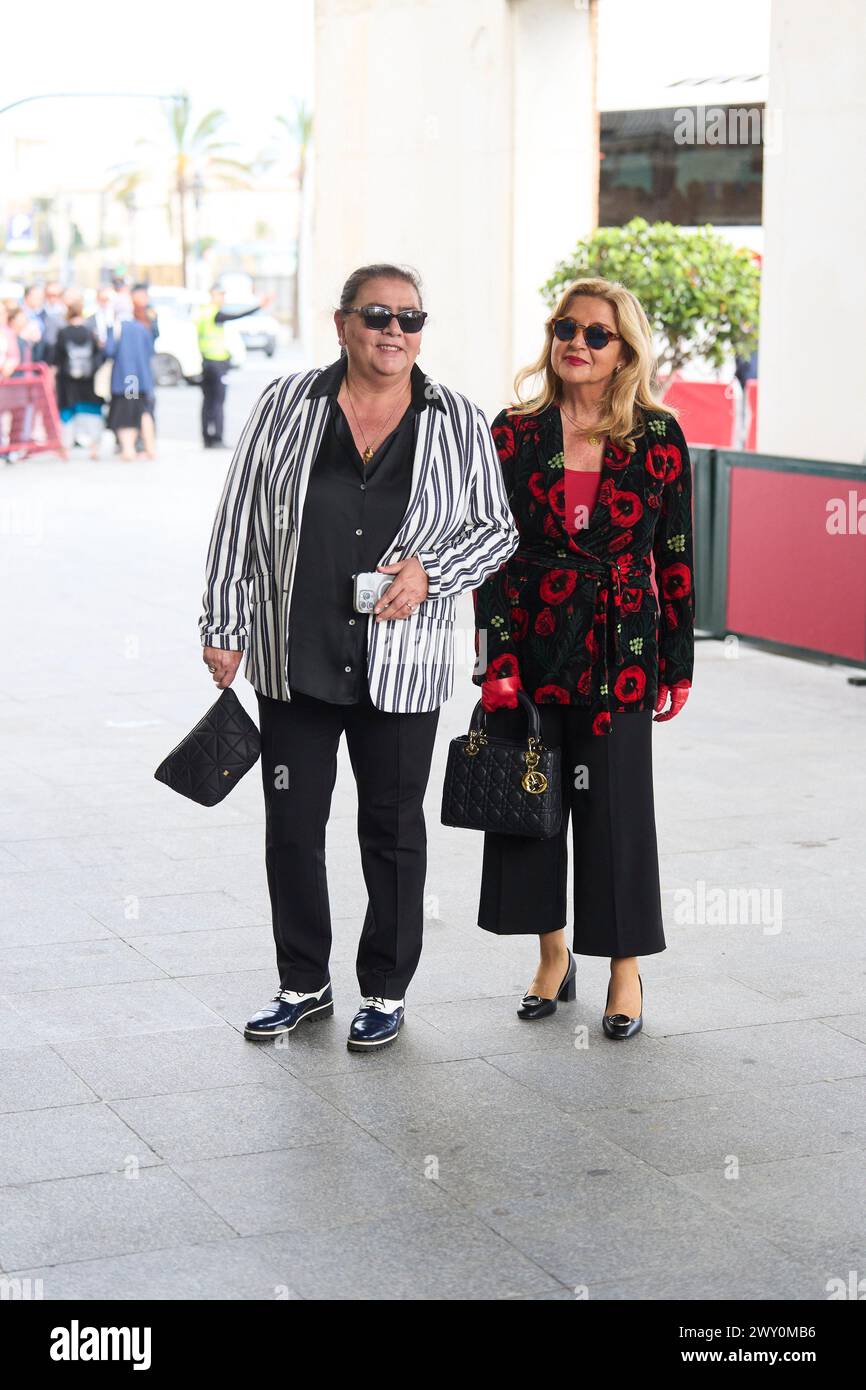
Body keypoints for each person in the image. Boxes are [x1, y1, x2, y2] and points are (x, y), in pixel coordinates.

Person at [199, 262, 519, 1050]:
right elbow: (238, 511)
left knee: (393, 830)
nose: (394, 332)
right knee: (293, 827)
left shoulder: (457, 420)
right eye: (377, 316)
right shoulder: (285, 406)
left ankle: (385, 989)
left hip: (401, 668)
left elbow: (497, 530)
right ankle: (303, 982)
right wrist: (223, 619)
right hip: (293, 655)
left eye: (411, 319)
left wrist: (430, 571)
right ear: (342, 323)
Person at [473, 276, 695, 1039]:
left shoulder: (660, 438)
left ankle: (625, 971)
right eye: (567, 327)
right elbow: (493, 555)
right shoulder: (513, 431)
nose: (577, 342)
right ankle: (551, 956)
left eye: (596, 333)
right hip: (532, 644)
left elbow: (675, 556)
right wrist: (494, 656)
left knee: (617, 812)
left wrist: (678, 661)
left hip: (623, 645)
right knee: (535, 804)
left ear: (624, 348)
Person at [195, 284, 274, 448]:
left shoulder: (202, 312)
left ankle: (206, 438)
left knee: (207, 401)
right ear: (212, 295)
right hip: (217, 362)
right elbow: (237, 315)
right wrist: (259, 306)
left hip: (205, 362)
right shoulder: (214, 313)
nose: (223, 299)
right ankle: (216, 438)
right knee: (218, 401)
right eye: (220, 295)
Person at [49, 296, 106, 459]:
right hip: (88, 381)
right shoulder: (90, 333)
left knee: (67, 414)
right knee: (92, 412)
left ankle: (65, 449)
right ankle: (94, 447)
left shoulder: (63, 333)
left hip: (66, 382)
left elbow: (55, 358)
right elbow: (98, 357)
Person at [104, 314, 156, 461]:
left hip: (125, 379)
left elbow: (109, 351)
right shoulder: (142, 327)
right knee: (144, 412)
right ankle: (150, 448)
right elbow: (151, 351)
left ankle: (128, 450)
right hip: (141, 378)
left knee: (126, 414)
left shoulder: (116, 327)